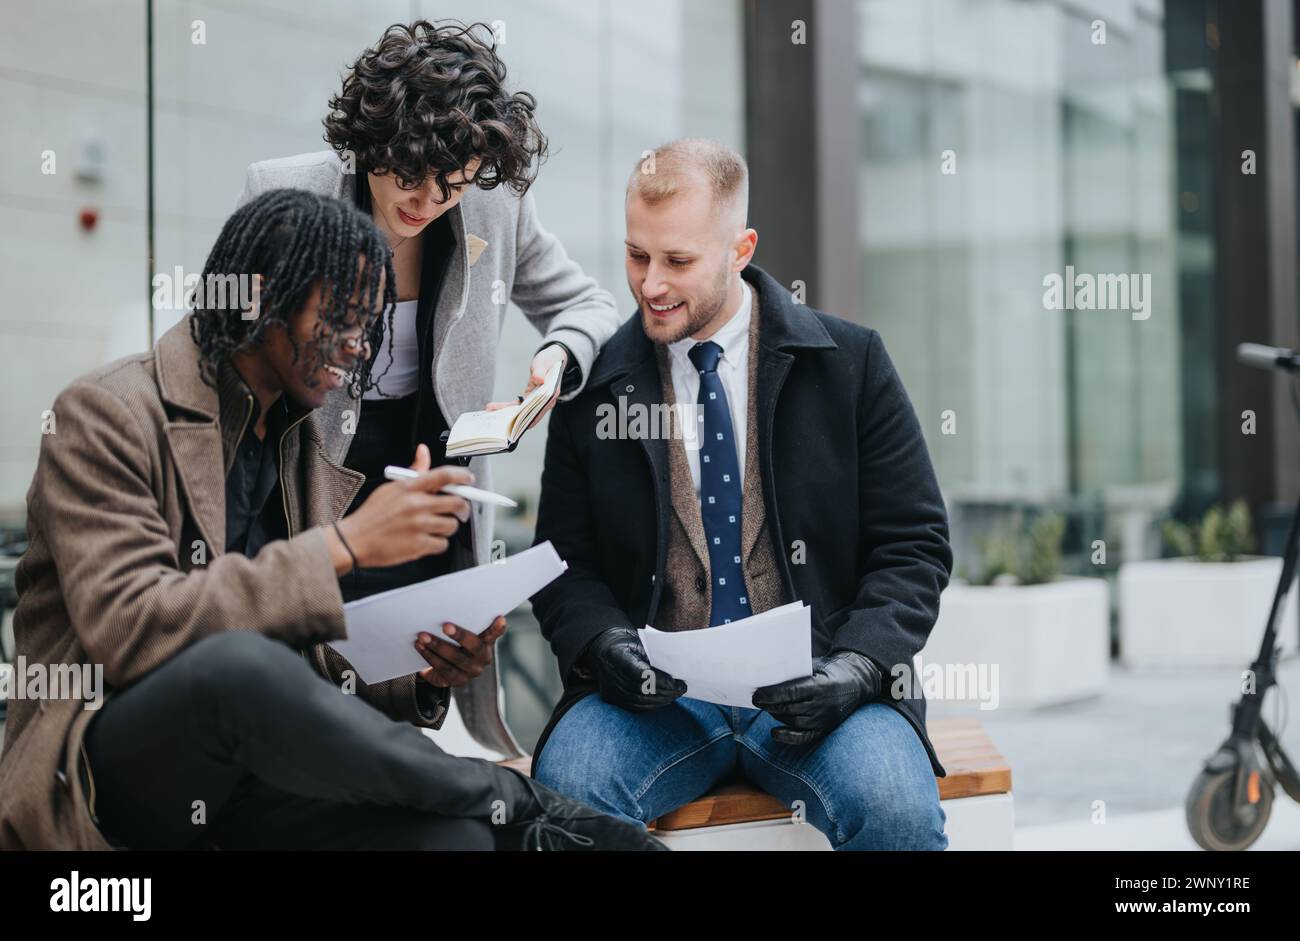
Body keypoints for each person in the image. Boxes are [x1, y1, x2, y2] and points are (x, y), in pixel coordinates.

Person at [0, 189, 663, 851]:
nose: (356, 347)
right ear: (262, 298)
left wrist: (422, 674)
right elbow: (131, 626)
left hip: (244, 782)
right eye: (340, 318)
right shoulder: (107, 413)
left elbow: (303, 672)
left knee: (455, 840)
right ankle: (514, 797)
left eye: (368, 324)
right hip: (106, 773)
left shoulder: (300, 440)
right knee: (238, 668)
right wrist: (342, 544)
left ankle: (514, 818)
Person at [528, 139, 954, 850]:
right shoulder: (593, 384)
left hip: (825, 692)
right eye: (637, 255)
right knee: (565, 802)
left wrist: (857, 665)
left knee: (898, 813)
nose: (650, 284)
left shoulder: (853, 364)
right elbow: (563, 563)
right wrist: (604, 643)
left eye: (678, 260)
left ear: (740, 247)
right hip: (651, 705)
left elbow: (915, 547)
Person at [237, 21, 622, 707]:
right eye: (409, 177)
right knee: (305, 707)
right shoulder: (285, 193)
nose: (426, 202)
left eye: (450, 186)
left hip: (435, 494)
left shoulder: (494, 207)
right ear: (370, 142)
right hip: (307, 490)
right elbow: (228, 358)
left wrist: (556, 359)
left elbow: (588, 303)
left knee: (421, 694)